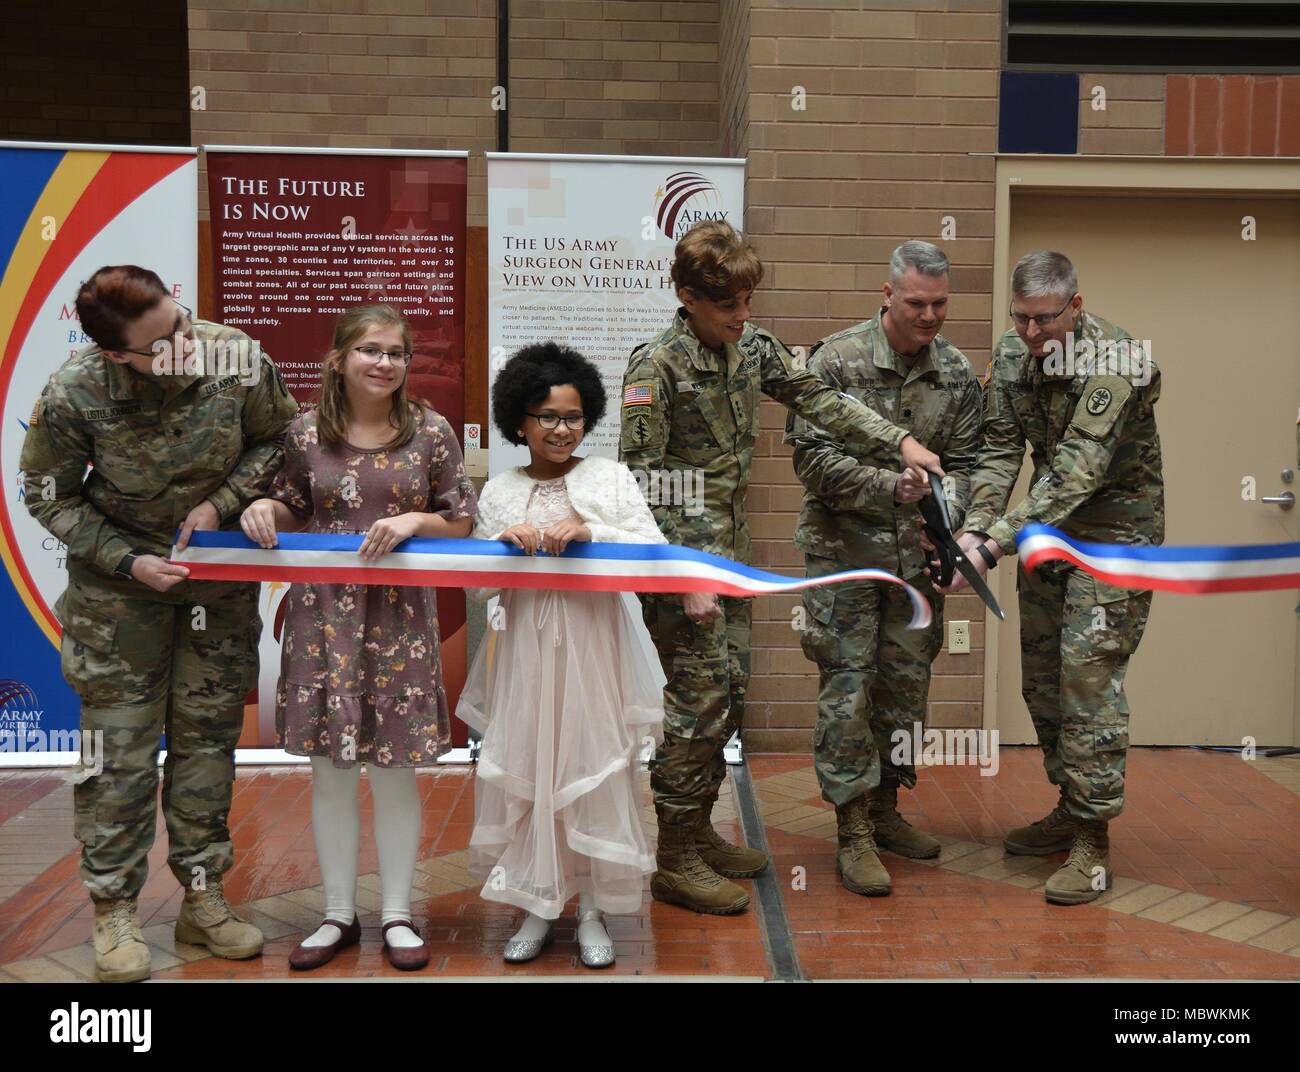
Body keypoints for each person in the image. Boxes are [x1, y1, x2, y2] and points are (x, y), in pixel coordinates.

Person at [620, 220, 946, 916]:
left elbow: (821, 400)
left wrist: (901, 441)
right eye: (727, 305)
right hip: (682, 567)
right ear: (687, 296)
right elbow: (640, 484)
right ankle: (673, 858)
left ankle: (701, 832)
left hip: (731, 559)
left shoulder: (754, 348)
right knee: (696, 704)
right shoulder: (657, 366)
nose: (743, 317)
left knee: (729, 694)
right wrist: (683, 576)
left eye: (747, 302)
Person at [19, 265, 299, 982]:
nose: (185, 345)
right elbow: (48, 494)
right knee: (113, 756)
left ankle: (203, 901)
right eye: (162, 342)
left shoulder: (236, 355)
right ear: (116, 354)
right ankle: (112, 908)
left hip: (214, 588)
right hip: (119, 598)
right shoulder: (75, 391)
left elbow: (279, 443)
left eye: (181, 324)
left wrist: (222, 505)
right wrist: (126, 559)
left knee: (207, 747)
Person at [240, 304, 477, 969]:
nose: (385, 362)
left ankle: (399, 914)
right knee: (331, 772)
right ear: (339, 358)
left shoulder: (431, 432)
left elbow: (460, 519)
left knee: (396, 773)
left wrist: (412, 523)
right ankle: (338, 914)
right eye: (371, 350)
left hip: (400, 622)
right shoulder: (306, 432)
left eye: (397, 352)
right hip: (323, 625)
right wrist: (265, 507)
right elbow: (293, 500)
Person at [934, 250, 1164, 905]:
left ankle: (1093, 841)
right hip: (1045, 535)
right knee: (1043, 674)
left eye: (1045, 321)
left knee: (1087, 673)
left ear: (1076, 306)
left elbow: (1075, 472)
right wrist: (976, 527)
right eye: (1021, 319)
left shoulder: (1120, 362)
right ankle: (1071, 802)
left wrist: (993, 544)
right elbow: (1001, 448)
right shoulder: (1012, 355)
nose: (1032, 335)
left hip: (1116, 538)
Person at [458, 342, 665, 968]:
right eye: (546, 416)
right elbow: (476, 586)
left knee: (593, 765)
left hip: (594, 645)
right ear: (519, 421)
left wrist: (592, 533)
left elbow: (651, 547)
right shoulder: (498, 489)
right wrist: (501, 546)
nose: (560, 429)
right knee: (533, 765)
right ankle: (537, 904)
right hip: (524, 650)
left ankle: (594, 911)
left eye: (572, 417)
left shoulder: (608, 477)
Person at [786, 241, 981, 897]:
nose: (929, 316)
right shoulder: (833, 361)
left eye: (940, 304)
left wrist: (951, 528)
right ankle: (853, 832)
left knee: (904, 691)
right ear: (888, 293)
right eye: (917, 302)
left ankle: (887, 809)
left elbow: (969, 467)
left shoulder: (956, 373)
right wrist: (885, 486)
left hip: (916, 563)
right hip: (844, 556)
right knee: (849, 690)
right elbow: (810, 462)